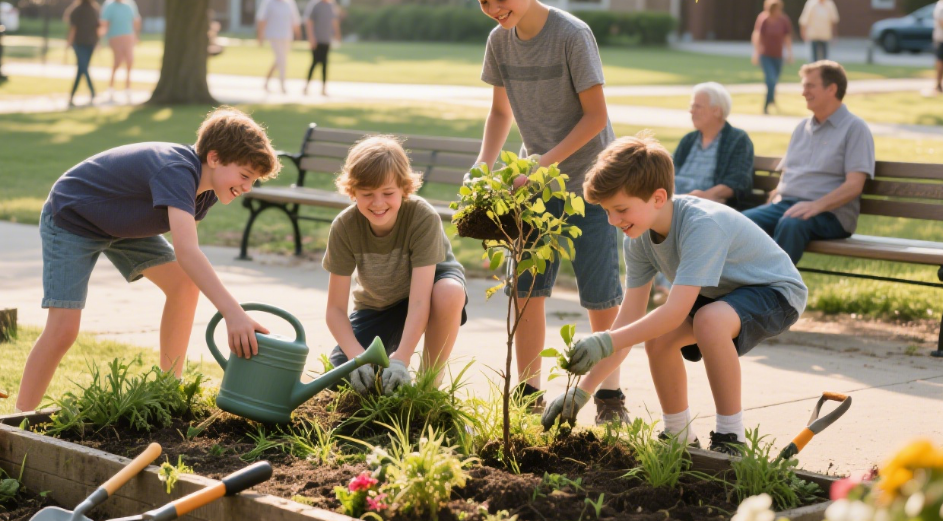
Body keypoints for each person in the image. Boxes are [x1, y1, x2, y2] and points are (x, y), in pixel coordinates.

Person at [540, 133, 808, 456]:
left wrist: (604, 342)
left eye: (620, 209)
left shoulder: (701, 226)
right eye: (608, 212)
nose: (613, 221)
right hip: (719, 295)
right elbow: (626, 325)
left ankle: (730, 439)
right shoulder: (637, 237)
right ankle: (679, 437)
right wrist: (582, 392)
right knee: (658, 338)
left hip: (775, 291)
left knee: (707, 321)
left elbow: (675, 312)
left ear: (657, 197)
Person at [14, 107, 281, 413]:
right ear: (214, 158)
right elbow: (188, 251)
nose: (247, 187)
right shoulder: (177, 171)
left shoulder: (206, 191)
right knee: (63, 329)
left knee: (183, 285)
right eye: (245, 176)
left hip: (123, 225)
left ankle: (167, 390)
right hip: (73, 218)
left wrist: (230, 310)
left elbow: (188, 254)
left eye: (253, 181)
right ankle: (16, 421)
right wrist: (234, 313)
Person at [474, 0, 627, 424]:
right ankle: (528, 396)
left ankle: (609, 399)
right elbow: (500, 111)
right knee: (525, 289)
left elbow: (596, 118)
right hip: (535, 186)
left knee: (600, 296)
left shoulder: (571, 34)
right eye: (483, 1)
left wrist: (542, 165)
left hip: (591, 185)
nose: (492, 8)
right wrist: (483, 164)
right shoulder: (499, 41)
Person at [323, 136, 467, 396]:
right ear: (352, 191)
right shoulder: (344, 226)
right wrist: (358, 357)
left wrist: (401, 359)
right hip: (378, 304)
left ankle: (428, 388)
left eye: (388, 193)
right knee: (341, 384)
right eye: (367, 195)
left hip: (428, 292)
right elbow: (334, 309)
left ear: (404, 188)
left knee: (449, 292)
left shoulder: (422, 217)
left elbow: (421, 301)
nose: (378, 203)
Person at [743, 61, 874, 265]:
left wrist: (816, 206)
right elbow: (787, 176)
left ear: (832, 89)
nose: (803, 92)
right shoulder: (801, 127)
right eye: (803, 86)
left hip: (831, 214)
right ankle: (732, 290)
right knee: (741, 222)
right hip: (787, 205)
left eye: (810, 86)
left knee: (791, 224)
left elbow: (854, 185)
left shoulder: (855, 128)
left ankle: (776, 292)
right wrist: (771, 204)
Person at [652, 82, 755, 302]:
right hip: (674, 200)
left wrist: (703, 196)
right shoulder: (690, 140)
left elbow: (738, 182)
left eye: (697, 106)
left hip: (707, 205)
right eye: (692, 105)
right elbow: (669, 174)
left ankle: (669, 290)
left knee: (680, 225)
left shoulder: (737, 139)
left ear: (717, 110)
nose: (691, 110)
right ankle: (653, 286)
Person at [751, 0, 793, 114]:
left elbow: (787, 37)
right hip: (765, 55)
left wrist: (789, 54)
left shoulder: (784, 20)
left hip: (778, 56)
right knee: (771, 79)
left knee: (774, 80)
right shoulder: (763, 19)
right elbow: (757, 35)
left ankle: (772, 99)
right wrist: (756, 53)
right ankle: (766, 106)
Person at [256, 0, 301, 94]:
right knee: (282, 60)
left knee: (280, 60)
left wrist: (298, 35)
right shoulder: (269, 3)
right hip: (274, 35)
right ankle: (282, 85)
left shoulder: (290, 3)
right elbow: (262, 20)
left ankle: (267, 81)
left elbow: (295, 19)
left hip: (287, 36)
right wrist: (260, 36)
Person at [99, 0, 140, 103]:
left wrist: (136, 35)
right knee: (118, 62)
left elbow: (135, 20)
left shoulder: (130, 5)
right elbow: (104, 23)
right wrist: (100, 38)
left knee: (130, 61)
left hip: (128, 35)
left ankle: (128, 87)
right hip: (115, 36)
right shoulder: (109, 6)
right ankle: (111, 87)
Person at [64, 0, 99, 107]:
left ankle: (73, 95)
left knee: (82, 69)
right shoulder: (78, 10)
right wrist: (69, 42)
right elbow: (73, 28)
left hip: (89, 43)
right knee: (83, 68)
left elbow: (96, 27)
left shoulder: (93, 10)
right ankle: (92, 92)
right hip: (80, 44)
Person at [302, 0, 340, 96]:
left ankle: (323, 88)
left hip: (326, 40)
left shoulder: (331, 6)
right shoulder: (315, 5)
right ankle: (306, 86)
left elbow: (334, 21)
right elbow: (309, 22)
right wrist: (311, 38)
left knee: (325, 64)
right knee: (314, 63)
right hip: (317, 40)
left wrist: (337, 34)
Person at [933, 0, 943, 95]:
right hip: (941, 39)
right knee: (940, 61)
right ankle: (938, 84)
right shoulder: (941, 6)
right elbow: (941, 22)